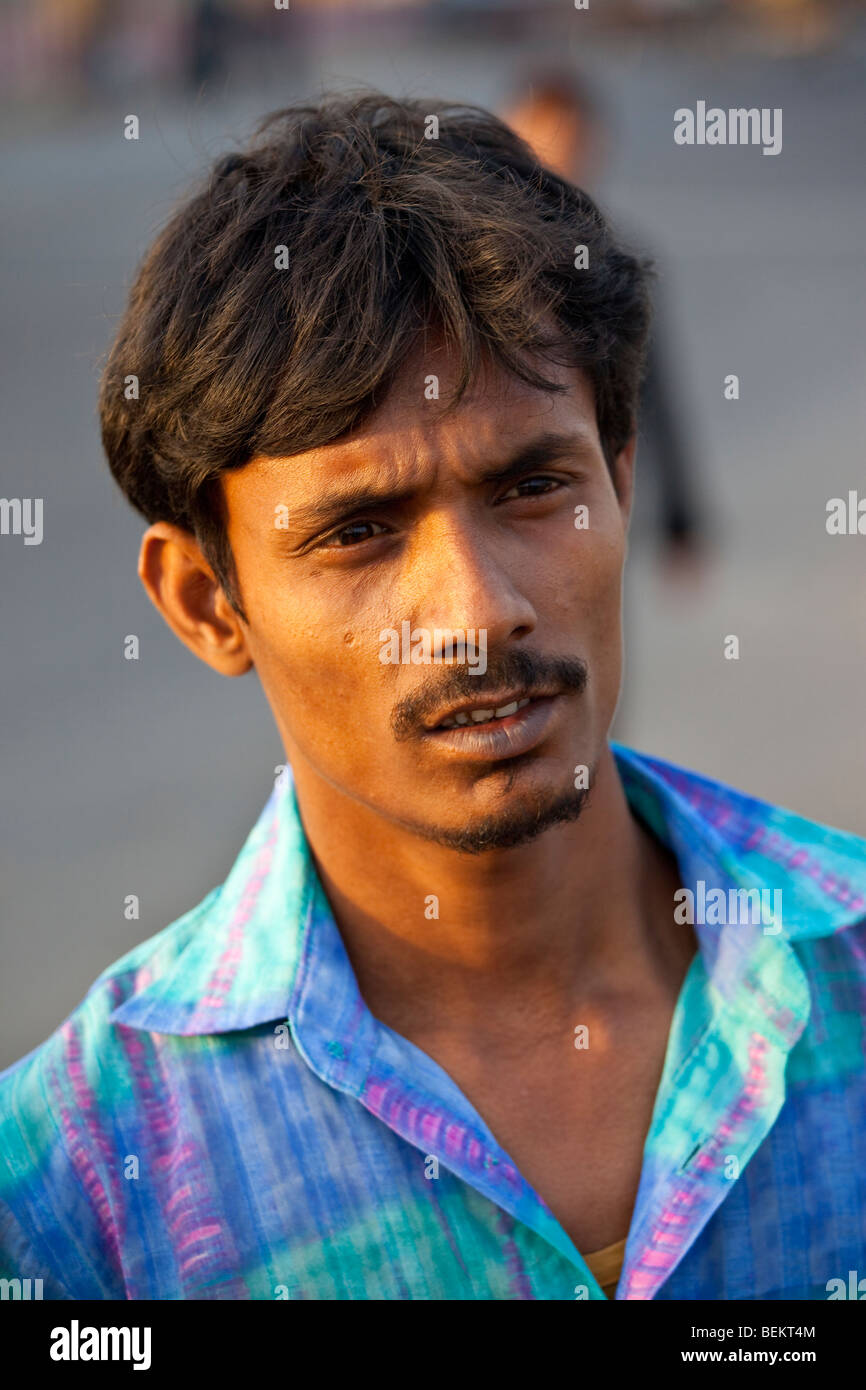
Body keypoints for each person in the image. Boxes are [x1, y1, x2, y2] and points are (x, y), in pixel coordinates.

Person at [0, 93, 863, 1301]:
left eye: (529, 486)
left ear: (617, 484)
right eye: (356, 531)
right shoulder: (71, 1195)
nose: (475, 613)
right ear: (206, 601)